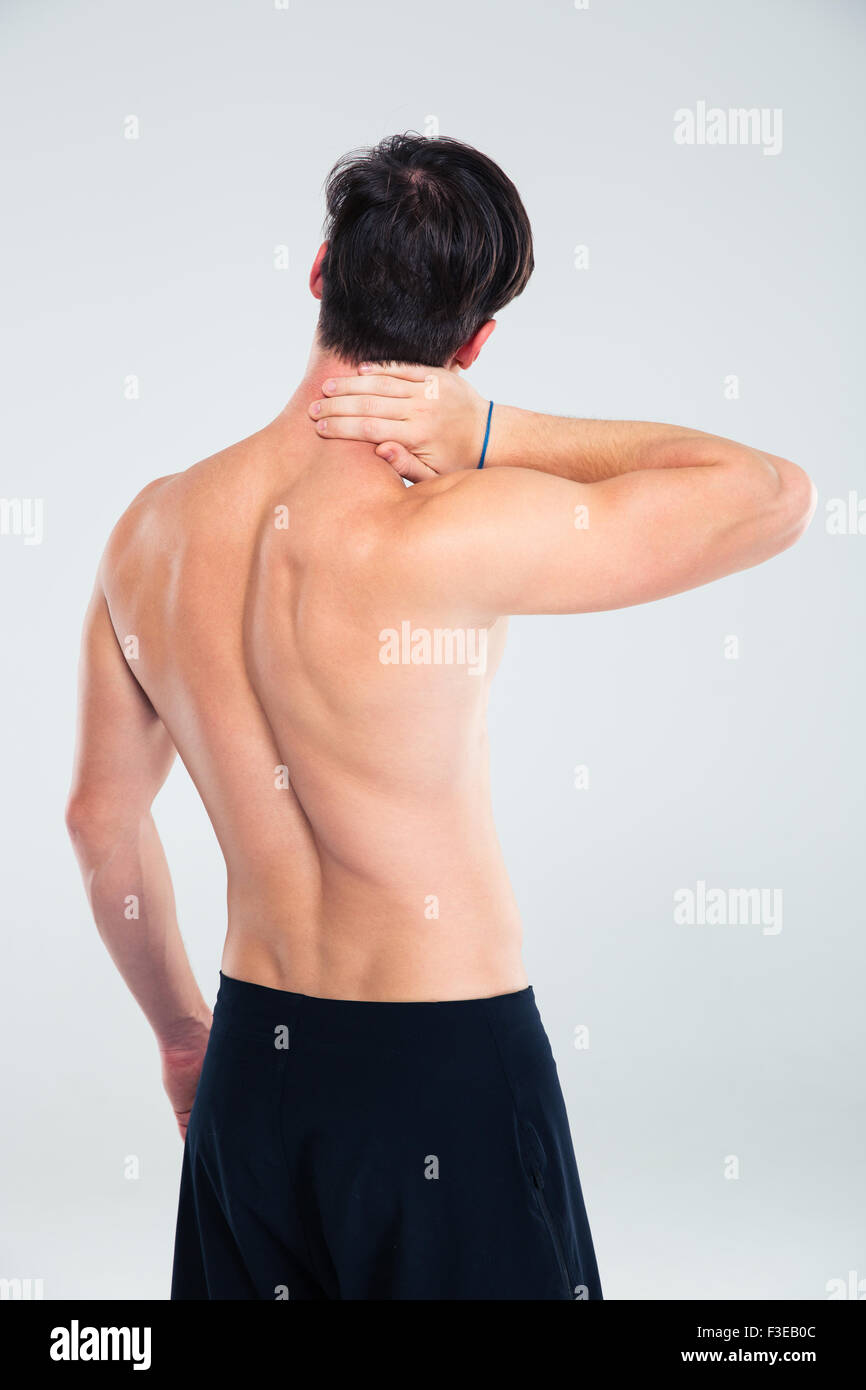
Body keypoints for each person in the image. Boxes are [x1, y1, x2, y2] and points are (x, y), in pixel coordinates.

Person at [66, 133, 816, 1300]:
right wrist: (489, 431)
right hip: (438, 1065)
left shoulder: (150, 532)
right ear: (472, 343)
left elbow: (98, 822)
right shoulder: (459, 525)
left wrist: (180, 1036)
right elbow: (773, 495)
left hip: (253, 1080)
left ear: (319, 272)